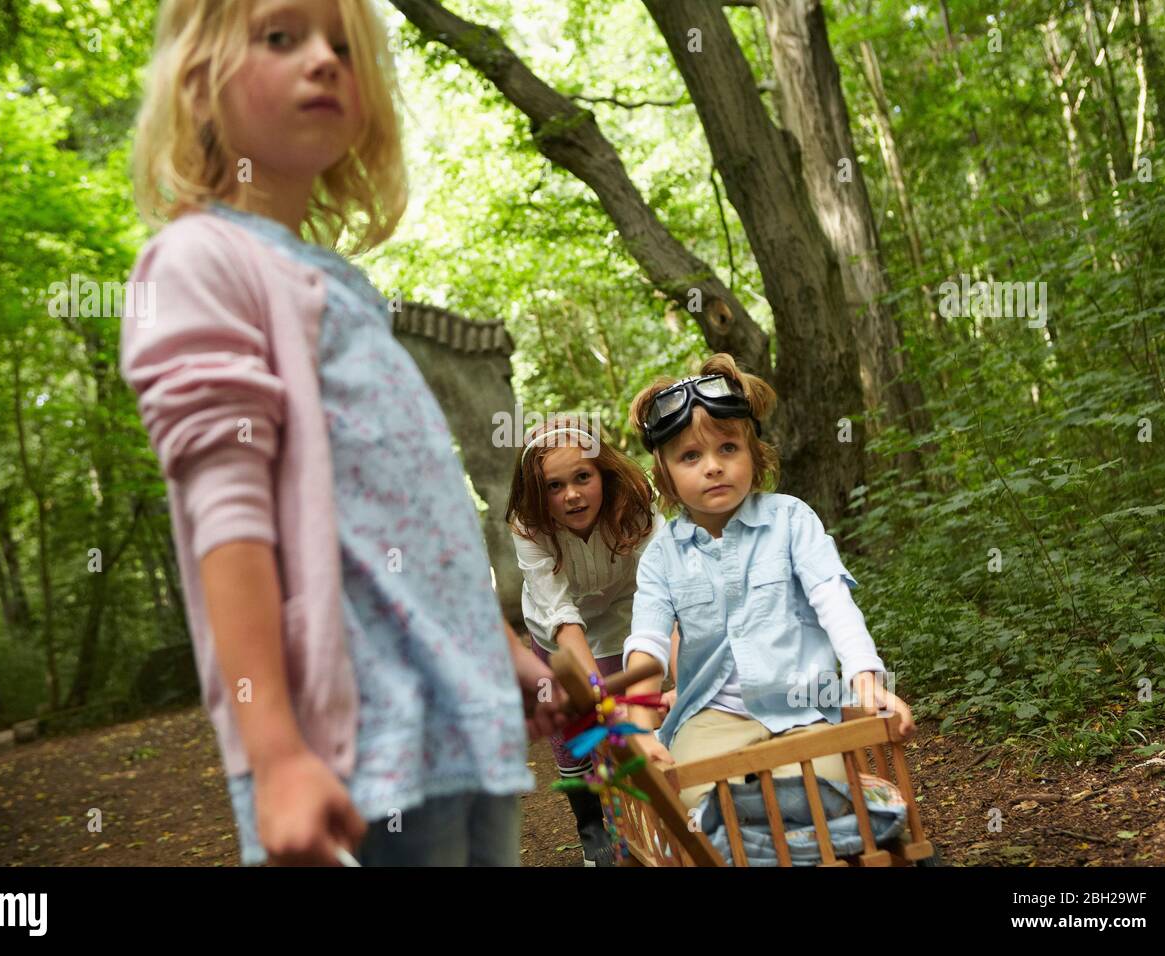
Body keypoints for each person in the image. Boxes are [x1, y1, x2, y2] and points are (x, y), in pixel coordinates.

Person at [121, 0, 561, 866]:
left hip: (466, 732)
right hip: (357, 754)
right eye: (281, 36)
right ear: (197, 79)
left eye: (342, 46)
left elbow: (412, 523)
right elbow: (229, 520)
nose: (323, 60)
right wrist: (278, 753)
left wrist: (508, 654)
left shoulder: (347, 289)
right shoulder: (197, 263)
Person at [622, 354, 917, 811]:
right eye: (690, 456)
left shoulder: (792, 520)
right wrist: (641, 724)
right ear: (665, 473)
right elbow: (648, 642)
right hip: (711, 716)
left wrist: (865, 675)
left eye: (727, 449)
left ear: (754, 453)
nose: (713, 467)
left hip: (802, 709)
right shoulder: (662, 555)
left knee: (822, 799)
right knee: (697, 798)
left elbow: (833, 601)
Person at [505, 415, 669, 864]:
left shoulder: (636, 505)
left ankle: (646, 826)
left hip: (625, 618)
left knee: (632, 722)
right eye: (555, 486)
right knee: (575, 724)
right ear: (539, 494)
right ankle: (593, 833)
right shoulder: (528, 526)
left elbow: (664, 590)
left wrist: (669, 670)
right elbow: (561, 616)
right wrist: (593, 694)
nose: (572, 494)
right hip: (557, 629)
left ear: (603, 474)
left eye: (582, 477)